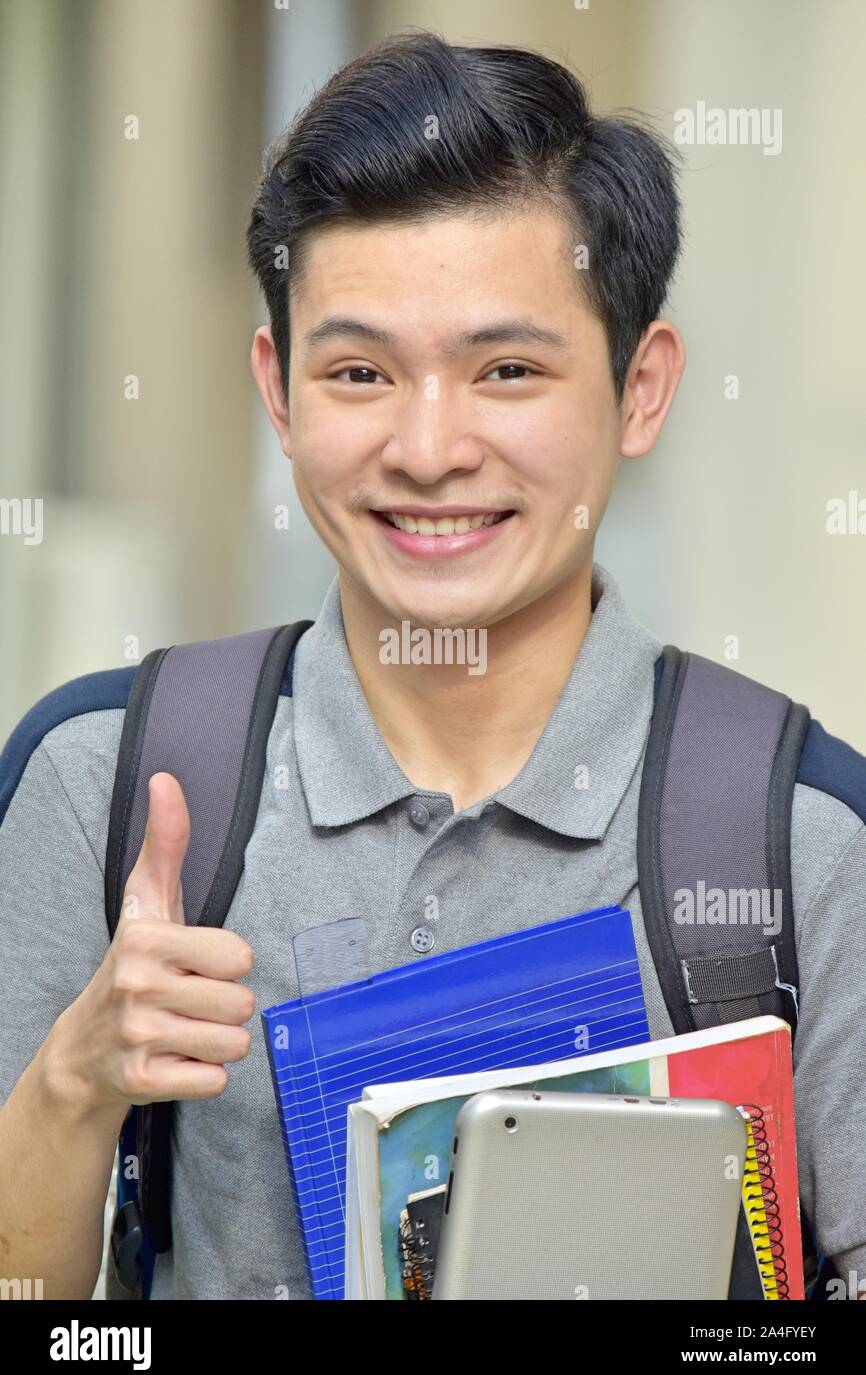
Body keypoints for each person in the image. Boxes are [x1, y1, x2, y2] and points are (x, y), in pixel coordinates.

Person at [1, 31, 864, 1301]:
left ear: (639, 386)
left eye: (505, 369)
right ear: (280, 392)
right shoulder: (103, 787)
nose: (427, 446)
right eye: (358, 371)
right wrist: (76, 1085)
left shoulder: (800, 845)